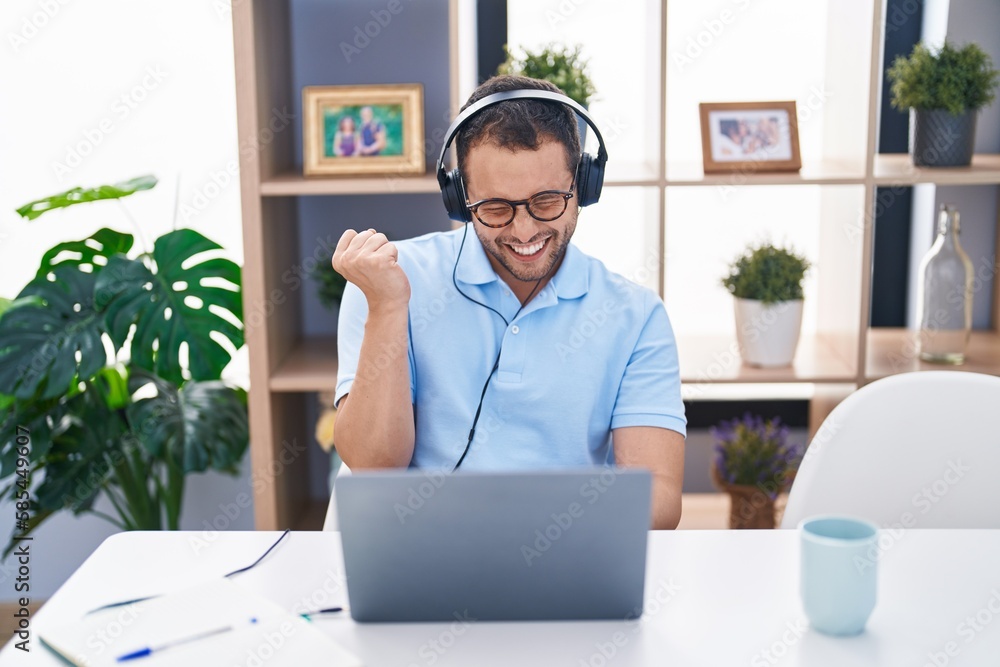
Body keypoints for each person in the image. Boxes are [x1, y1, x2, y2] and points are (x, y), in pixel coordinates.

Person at [332, 75, 686, 529]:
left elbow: (659, 501)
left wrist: (530, 525)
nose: (524, 231)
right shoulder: (387, 282)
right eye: (496, 208)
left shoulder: (636, 316)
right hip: (424, 548)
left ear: (584, 185)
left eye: (547, 201)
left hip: (567, 547)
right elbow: (373, 467)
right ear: (460, 199)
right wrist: (387, 308)